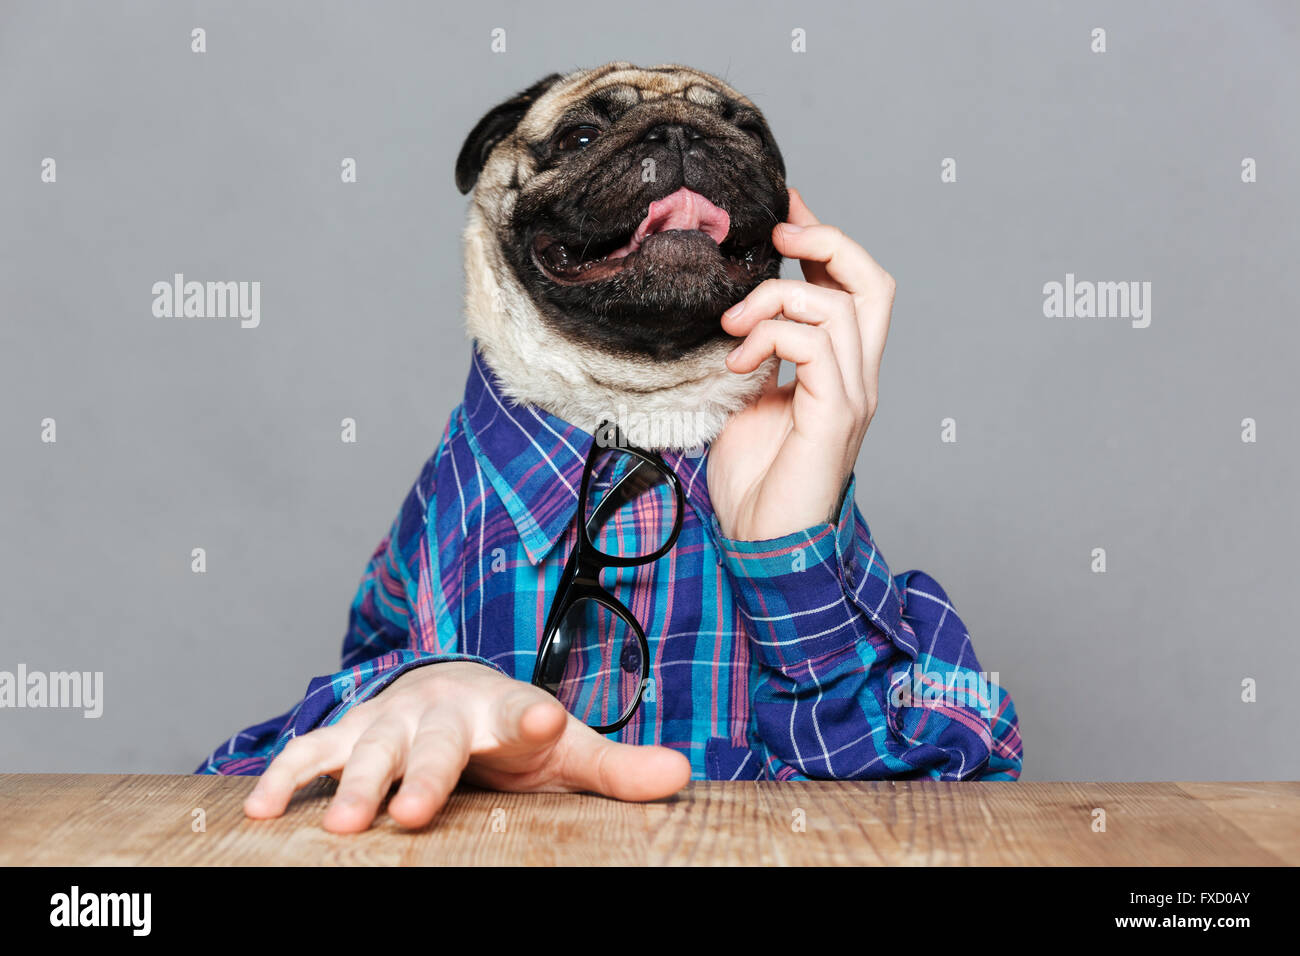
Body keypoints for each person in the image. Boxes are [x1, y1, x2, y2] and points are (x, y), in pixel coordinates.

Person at [199, 190, 1023, 833]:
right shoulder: (440, 515)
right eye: (586, 138)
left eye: (718, 138)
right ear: (490, 198)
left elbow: (964, 798)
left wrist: (788, 558)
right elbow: (251, 784)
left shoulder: (775, 476)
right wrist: (413, 690)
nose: (671, 165)